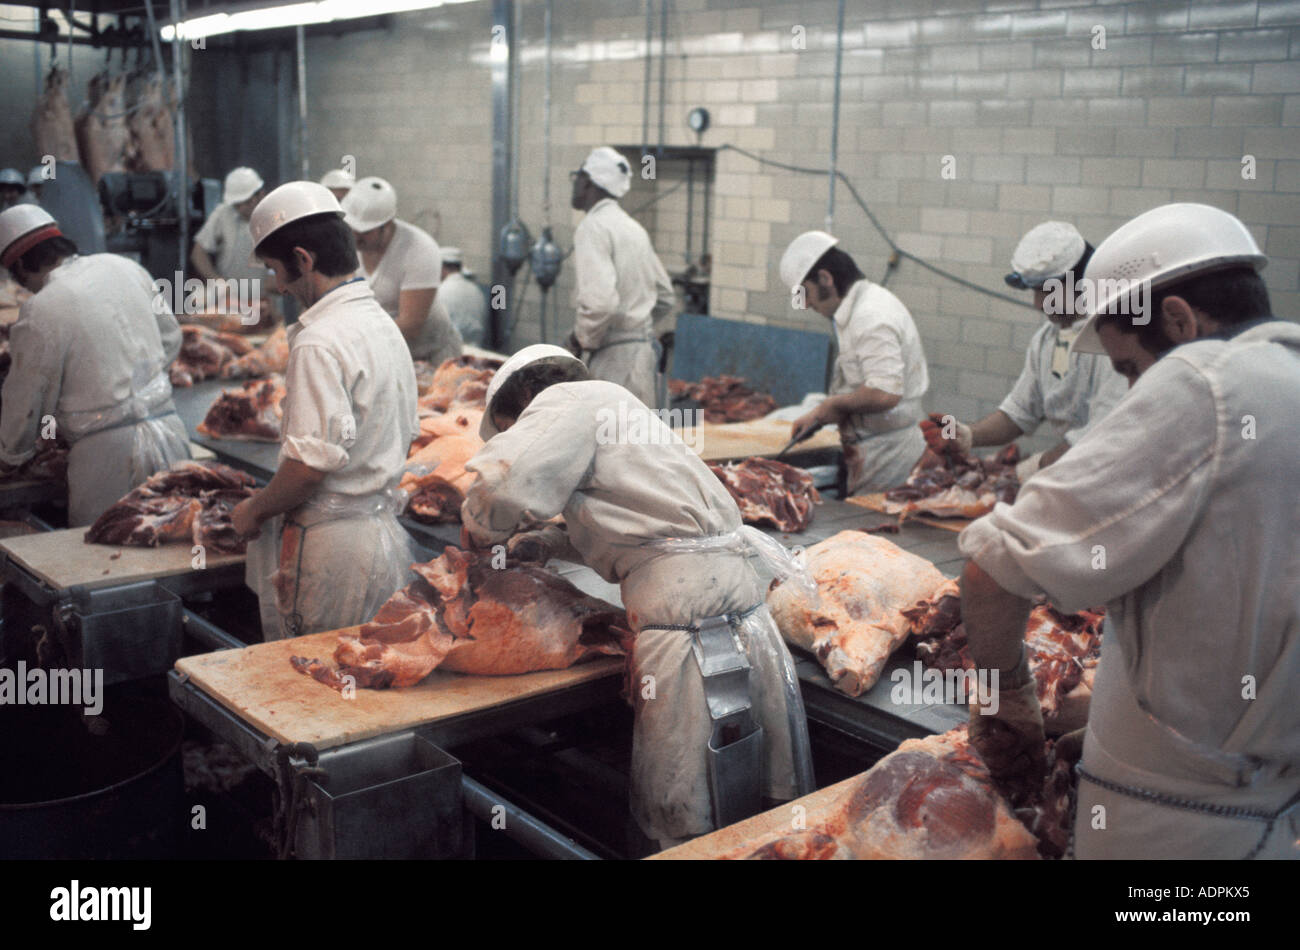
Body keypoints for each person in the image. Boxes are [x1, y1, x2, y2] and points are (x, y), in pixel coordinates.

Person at [958, 203, 1300, 859]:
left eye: (1131, 369)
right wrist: (1125, 726)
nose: (1138, 389)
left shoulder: (1205, 381)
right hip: (1264, 819)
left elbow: (993, 563)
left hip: (1165, 832)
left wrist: (1010, 697)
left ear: (1179, 320)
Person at [461, 344, 815, 851]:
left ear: (525, 404)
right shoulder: (615, 406)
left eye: (515, 427)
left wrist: (479, 534)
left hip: (685, 629)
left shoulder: (562, 403)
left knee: (682, 815)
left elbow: (500, 488)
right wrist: (546, 543)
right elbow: (641, 532)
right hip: (743, 613)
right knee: (760, 811)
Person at [230, 182, 419, 640]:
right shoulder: (381, 324)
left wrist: (254, 510)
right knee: (370, 690)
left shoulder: (320, 340)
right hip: (381, 541)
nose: (278, 286)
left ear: (304, 259)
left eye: (278, 270)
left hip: (333, 553)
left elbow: (308, 467)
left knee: (322, 686)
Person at [0, 204, 191, 525]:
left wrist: (9, 457)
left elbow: (27, 401)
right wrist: (136, 390)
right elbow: (171, 338)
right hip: (171, 435)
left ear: (20, 265)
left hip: (105, 460)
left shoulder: (42, 309)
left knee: (110, 560)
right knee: (175, 542)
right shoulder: (127, 268)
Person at [920, 222, 1127, 481]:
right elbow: (1019, 413)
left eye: (1047, 291)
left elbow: (1100, 435)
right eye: (1036, 291)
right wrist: (966, 435)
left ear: (1081, 285)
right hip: (1071, 478)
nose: (1038, 304)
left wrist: (1026, 470)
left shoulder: (1115, 341)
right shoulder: (1046, 340)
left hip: (1111, 478)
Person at [779, 231, 929, 494]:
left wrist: (833, 404)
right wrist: (822, 415)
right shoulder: (856, 310)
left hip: (889, 455)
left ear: (826, 278)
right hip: (873, 446)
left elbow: (885, 394)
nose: (805, 304)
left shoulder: (871, 315)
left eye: (806, 294)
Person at [568, 147, 676, 410]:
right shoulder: (633, 227)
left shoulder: (592, 227)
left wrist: (579, 340)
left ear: (588, 181)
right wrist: (636, 327)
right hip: (642, 359)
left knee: (610, 446)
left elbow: (601, 304)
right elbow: (665, 296)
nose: (574, 185)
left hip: (613, 364)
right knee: (638, 445)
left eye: (577, 177)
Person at [339, 176, 462, 365]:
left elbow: (410, 325)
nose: (356, 237)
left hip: (429, 354)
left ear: (386, 225)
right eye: (352, 229)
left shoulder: (420, 249)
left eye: (364, 232)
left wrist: (356, 345)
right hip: (384, 350)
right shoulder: (349, 246)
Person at [190, 166, 271, 321]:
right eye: (236, 205)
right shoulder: (223, 213)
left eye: (245, 203)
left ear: (260, 194)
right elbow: (198, 252)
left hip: (262, 304)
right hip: (227, 304)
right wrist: (215, 279)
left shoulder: (274, 216)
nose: (240, 208)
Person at [435, 246, 488, 347]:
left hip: (450, 352)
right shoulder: (476, 290)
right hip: (475, 350)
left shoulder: (441, 291)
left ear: (442, 268)